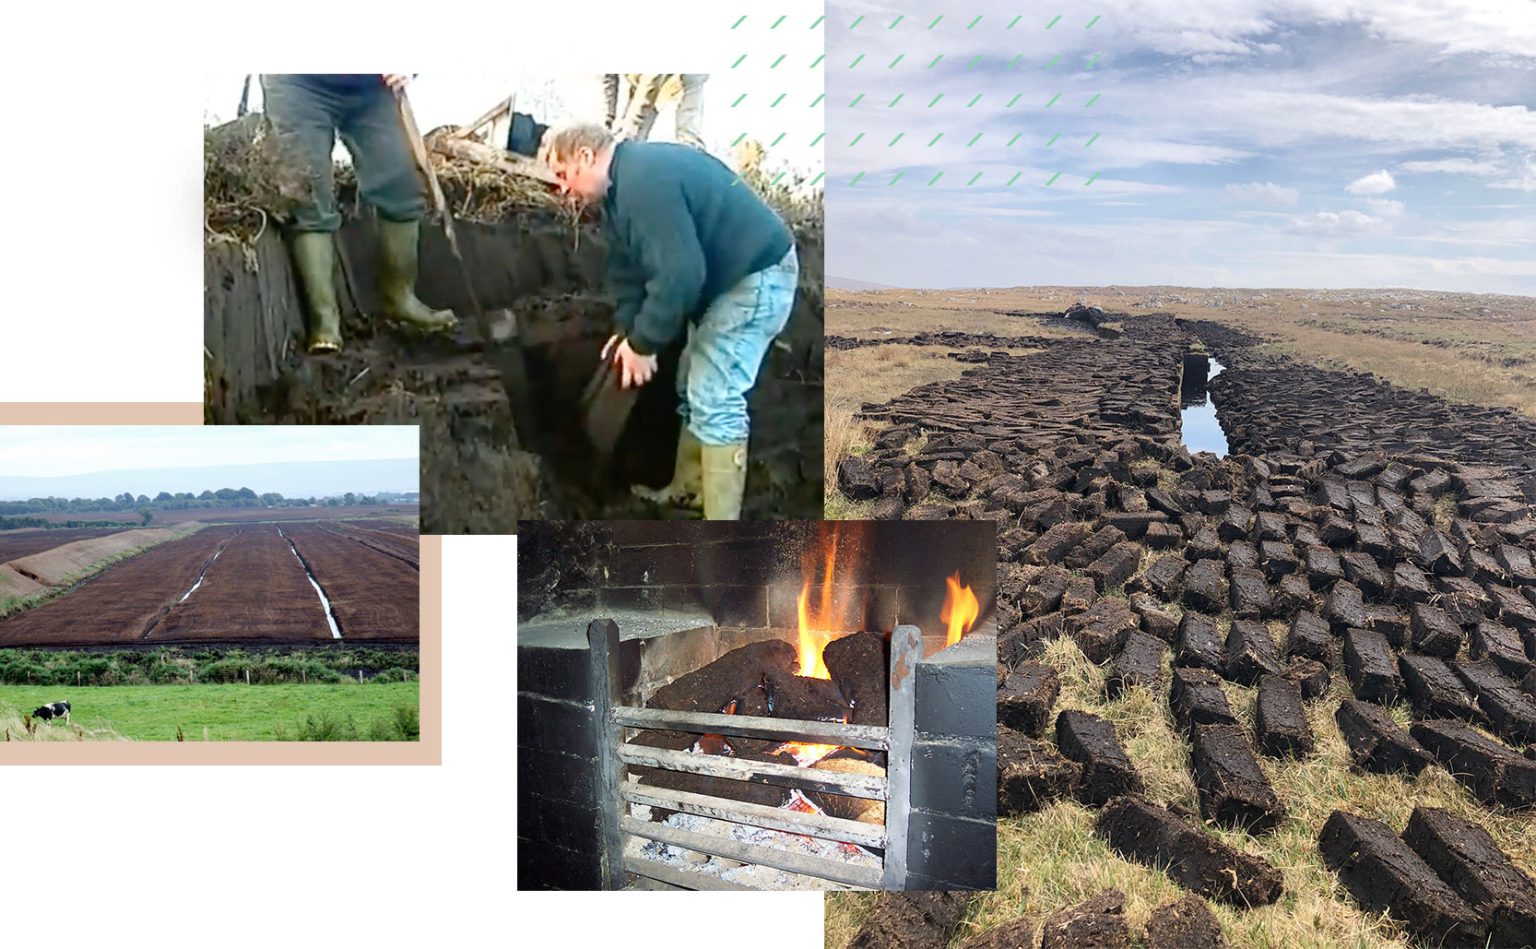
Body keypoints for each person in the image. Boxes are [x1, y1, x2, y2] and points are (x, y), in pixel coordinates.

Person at [542, 122, 797, 520]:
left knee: (715, 397)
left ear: (586, 157)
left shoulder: (643, 184)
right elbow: (629, 274)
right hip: (726, 283)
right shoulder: (618, 196)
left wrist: (645, 344)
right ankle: (688, 494)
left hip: (755, 277)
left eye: (562, 174)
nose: (562, 188)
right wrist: (628, 333)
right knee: (690, 384)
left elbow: (681, 275)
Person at [259, 73, 455, 354]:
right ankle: (324, 321)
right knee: (307, 194)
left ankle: (400, 299)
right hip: (297, 83)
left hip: (371, 86)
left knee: (400, 182)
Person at [600, 74, 707, 149]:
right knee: (628, 139)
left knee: (688, 135)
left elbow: (650, 86)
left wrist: (631, 131)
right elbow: (608, 79)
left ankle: (692, 154)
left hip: (682, 81)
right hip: (643, 82)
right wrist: (607, 120)